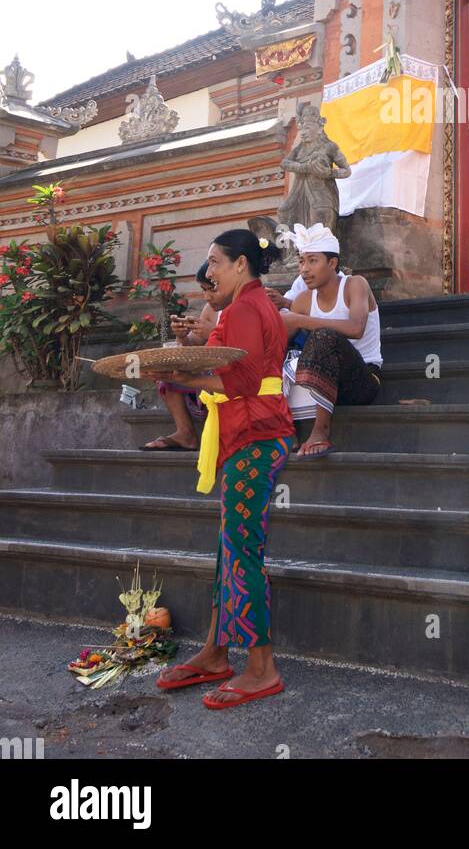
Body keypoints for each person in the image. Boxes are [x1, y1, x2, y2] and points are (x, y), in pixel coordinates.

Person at [144, 229, 294, 708]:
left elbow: (244, 380)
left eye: (214, 262)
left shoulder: (248, 307)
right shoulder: (239, 307)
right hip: (242, 433)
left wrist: (182, 376)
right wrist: (184, 370)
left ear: (240, 265)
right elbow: (227, 367)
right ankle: (214, 652)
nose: (208, 271)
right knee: (228, 546)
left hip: (258, 433)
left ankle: (262, 666)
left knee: (242, 548)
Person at [279, 222, 381, 460]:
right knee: (280, 355)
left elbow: (356, 328)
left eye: (312, 261)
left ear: (332, 263)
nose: (304, 269)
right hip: (323, 381)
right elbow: (278, 344)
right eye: (302, 261)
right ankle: (284, 428)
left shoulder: (355, 285)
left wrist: (300, 321)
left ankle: (320, 430)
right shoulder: (303, 300)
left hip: (363, 379)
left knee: (323, 336)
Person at [140, 263, 223, 452]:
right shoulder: (210, 310)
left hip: (230, 379)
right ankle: (185, 433)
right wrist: (182, 335)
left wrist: (214, 332)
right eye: (204, 290)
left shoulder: (243, 306)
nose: (207, 297)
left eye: (213, 289)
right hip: (205, 376)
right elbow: (191, 346)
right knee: (167, 369)